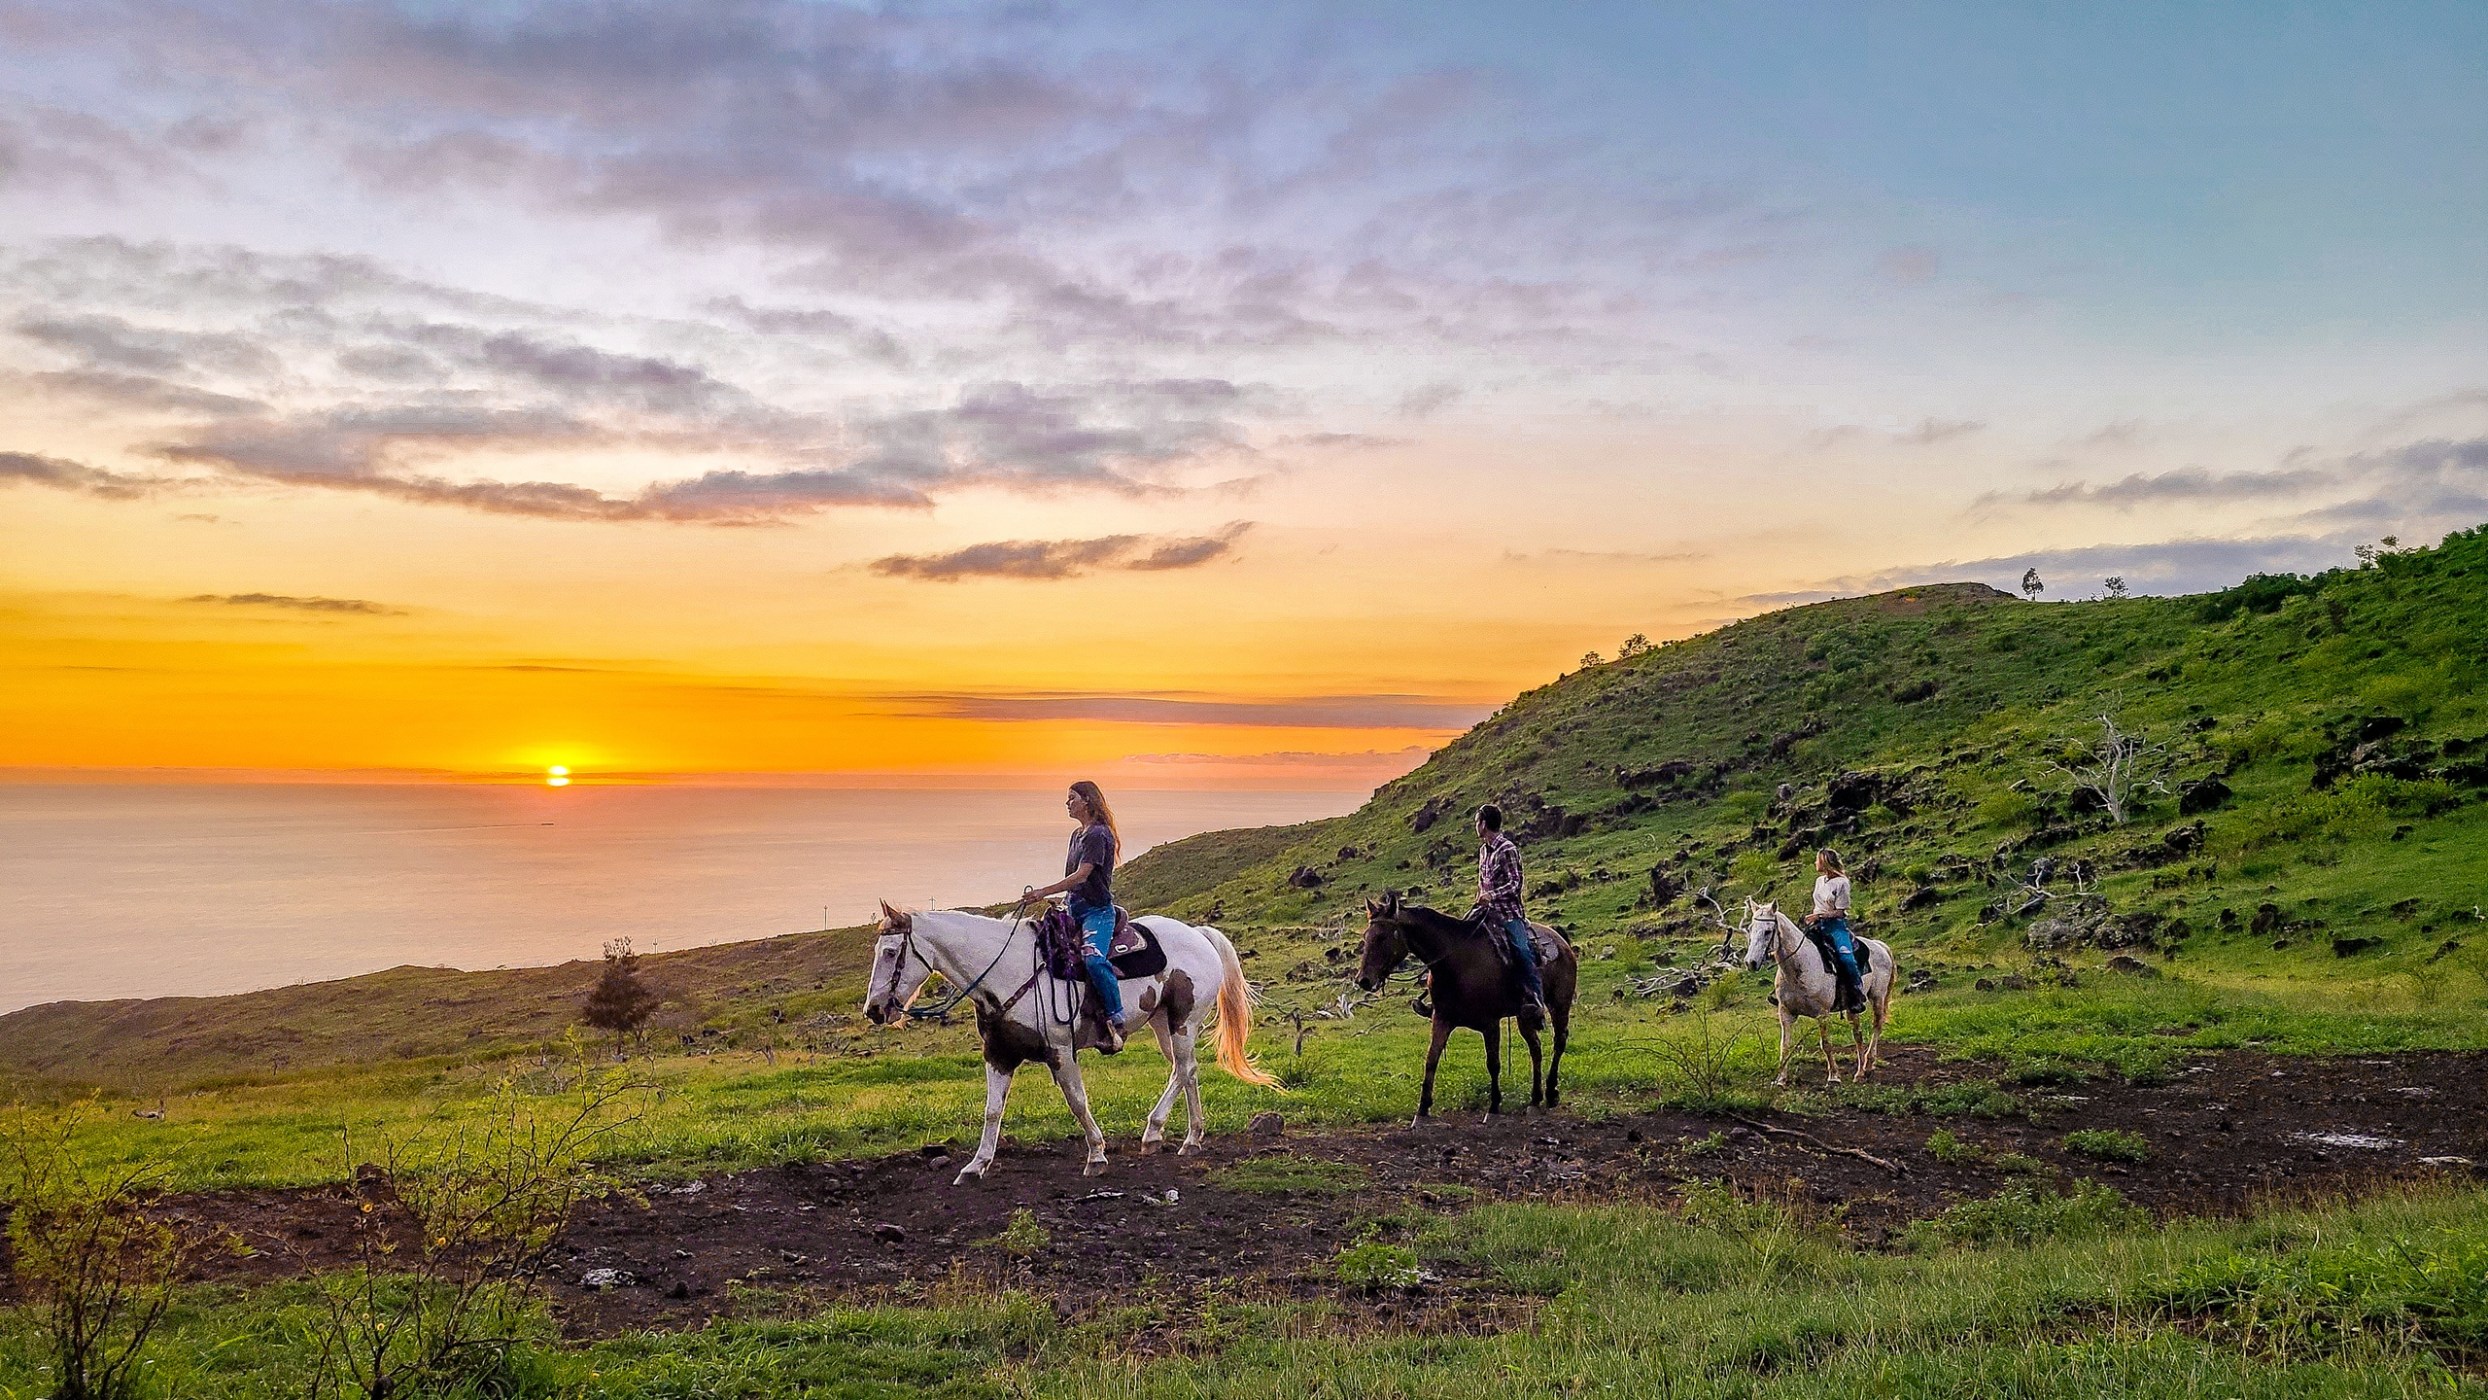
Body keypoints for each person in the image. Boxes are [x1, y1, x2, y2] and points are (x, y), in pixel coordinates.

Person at [1024, 781, 1126, 1052]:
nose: (1067, 803)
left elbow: (1082, 875)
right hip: (1074, 908)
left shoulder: (1098, 835)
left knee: (1093, 960)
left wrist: (1044, 892)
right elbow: (1074, 879)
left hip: (1097, 911)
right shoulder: (1076, 834)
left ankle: (1117, 1016)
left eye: (1072, 798)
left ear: (1088, 801)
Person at [1470, 804, 1546, 1030]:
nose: (1475, 825)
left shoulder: (1507, 849)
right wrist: (1480, 898)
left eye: (1477, 821)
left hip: (1508, 914)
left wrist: (1491, 895)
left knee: (1522, 951)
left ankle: (1537, 1000)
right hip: (1484, 912)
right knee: (1458, 939)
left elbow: (1515, 883)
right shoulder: (1483, 850)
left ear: (1484, 824)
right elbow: (1482, 881)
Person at [1808, 848, 1866, 1013]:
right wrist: (1814, 918)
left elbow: (1840, 911)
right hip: (1816, 926)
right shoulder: (1819, 881)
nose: (1815, 863)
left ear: (1825, 862)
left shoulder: (1842, 883)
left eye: (1818, 860)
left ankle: (1856, 992)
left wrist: (1819, 916)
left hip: (1835, 927)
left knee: (1847, 958)